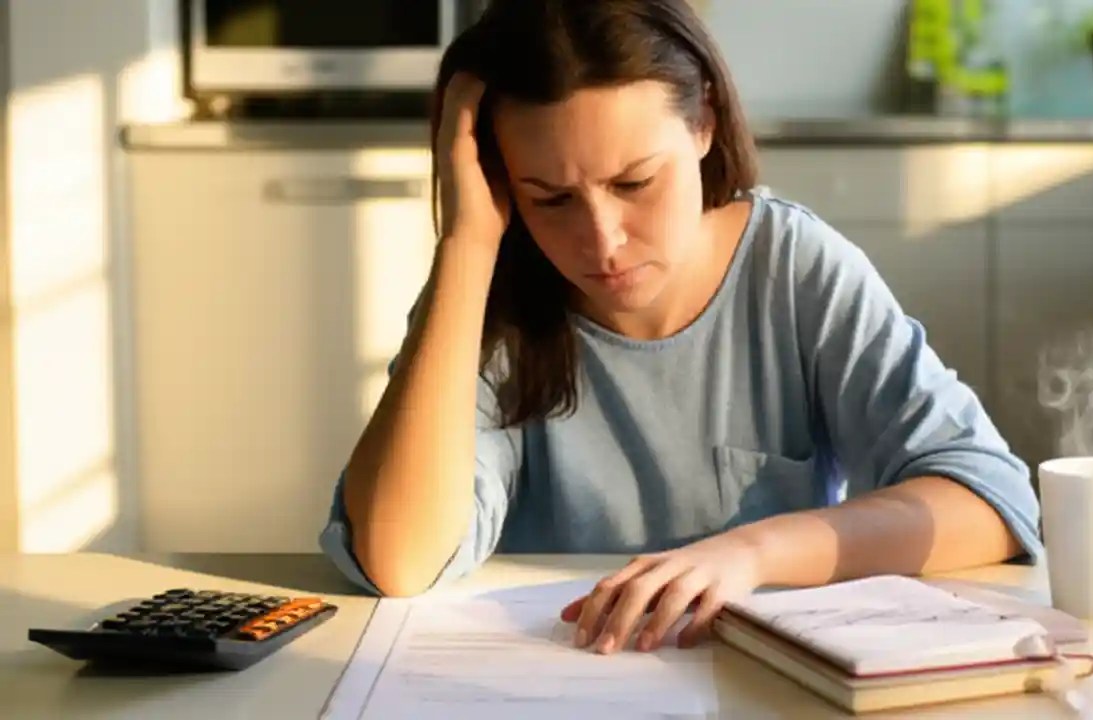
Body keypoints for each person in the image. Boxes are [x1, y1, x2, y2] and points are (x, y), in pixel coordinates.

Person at [320, 0, 1042, 655]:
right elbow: (400, 559)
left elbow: (991, 502)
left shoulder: (794, 268)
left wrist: (748, 554)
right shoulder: (484, 297)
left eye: (634, 184)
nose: (602, 242)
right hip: (553, 677)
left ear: (705, 123)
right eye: (551, 199)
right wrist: (467, 244)